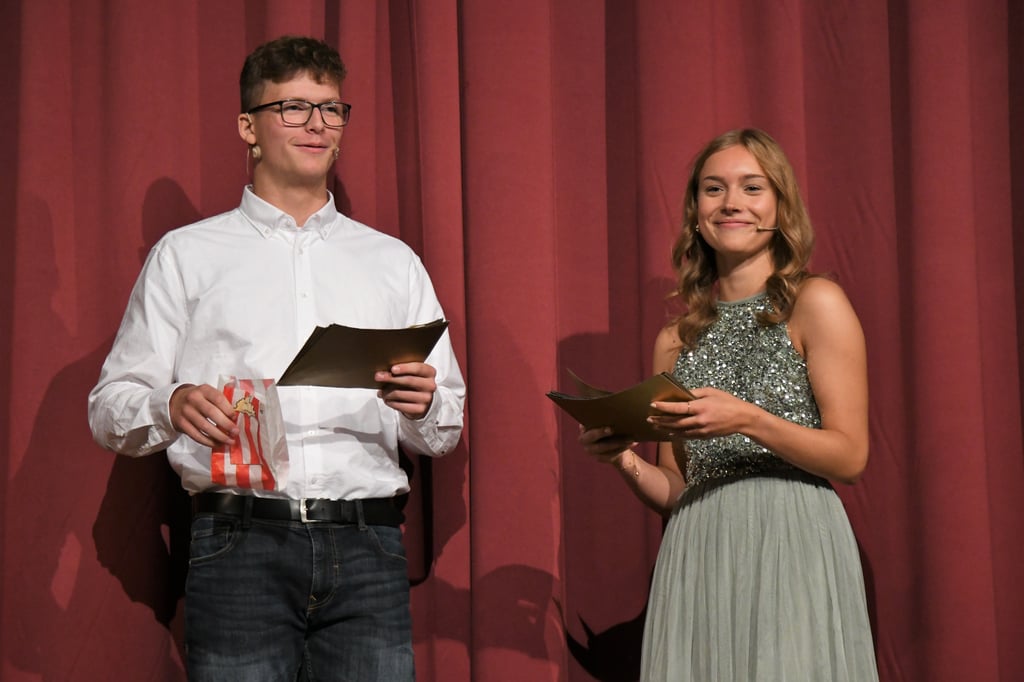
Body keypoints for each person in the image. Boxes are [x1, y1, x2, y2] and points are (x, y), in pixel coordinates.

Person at [88, 35, 465, 681]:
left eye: (332, 109)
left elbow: (445, 426)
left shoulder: (391, 261)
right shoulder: (188, 254)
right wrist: (171, 404)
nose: (317, 124)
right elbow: (109, 409)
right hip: (241, 540)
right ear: (249, 127)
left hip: (368, 539)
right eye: (292, 107)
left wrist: (425, 404)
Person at [579, 128, 878, 680]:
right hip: (700, 543)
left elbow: (850, 456)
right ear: (696, 212)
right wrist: (622, 457)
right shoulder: (675, 339)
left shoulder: (817, 303)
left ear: (780, 206)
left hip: (792, 536)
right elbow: (675, 488)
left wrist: (748, 419)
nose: (732, 202)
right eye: (714, 189)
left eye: (752, 187)